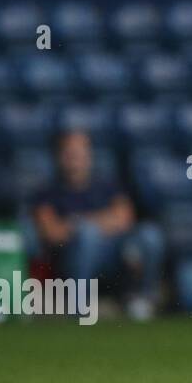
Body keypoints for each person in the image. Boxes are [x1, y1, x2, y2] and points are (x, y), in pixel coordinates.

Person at [30, 129, 163, 320]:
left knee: (150, 235)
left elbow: (125, 218)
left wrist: (78, 223)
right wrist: (94, 226)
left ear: (89, 155)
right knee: (88, 235)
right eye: (70, 152)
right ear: (60, 156)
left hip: (113, 255)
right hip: (70, 258)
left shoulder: (107, 186)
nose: (76, 158)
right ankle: (78, 306)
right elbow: (52, 232)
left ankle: (142, 299)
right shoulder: (48, 192)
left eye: (81, 152)